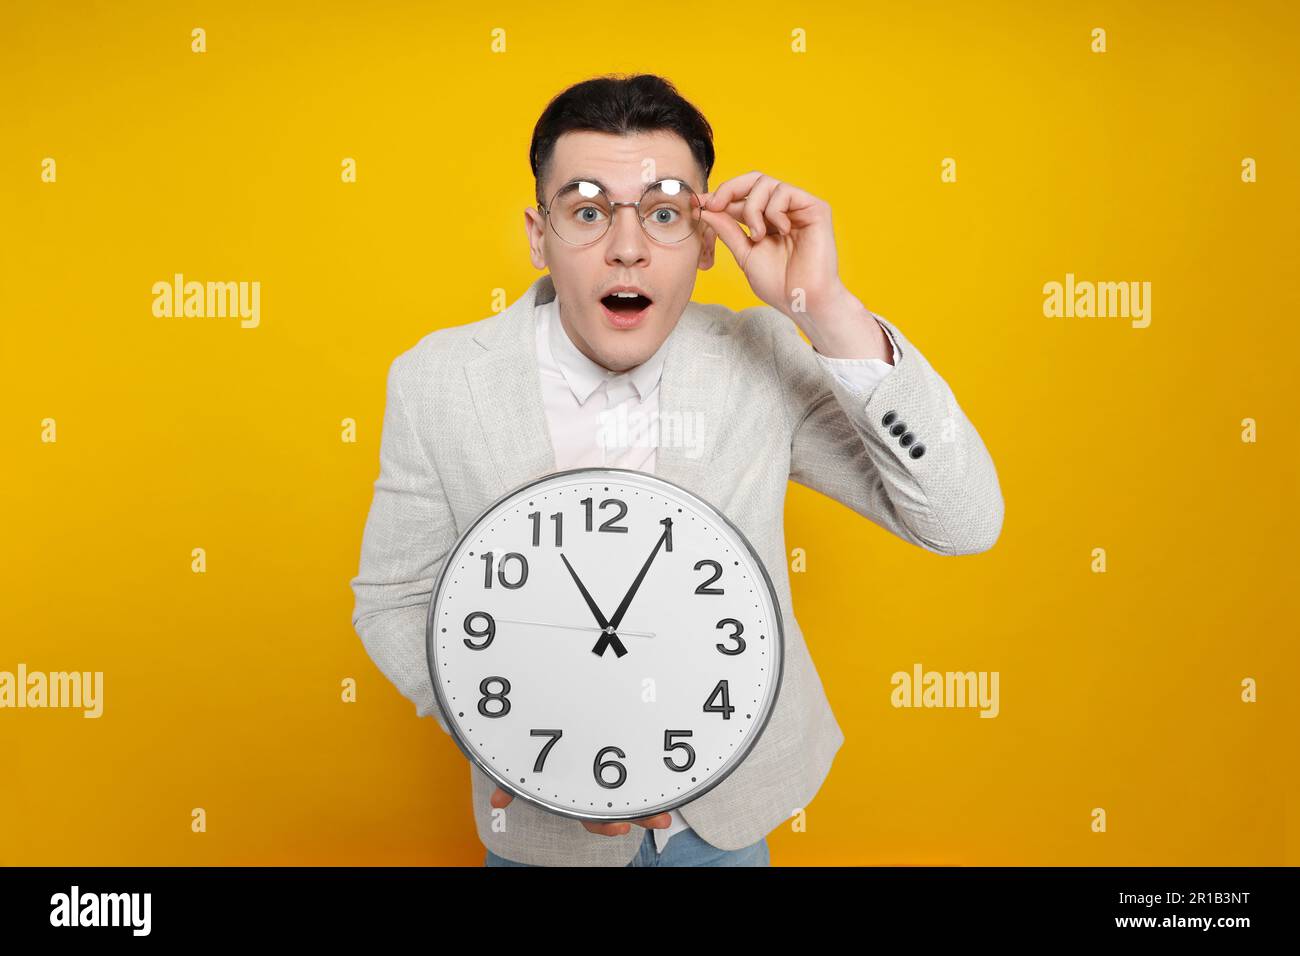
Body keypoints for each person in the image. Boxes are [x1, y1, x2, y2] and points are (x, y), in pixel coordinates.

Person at [350, 73, 1004, 867]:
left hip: (726, 821)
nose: (626, 247)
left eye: (663, 213)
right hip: (543, 837)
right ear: (537, 234)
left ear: (705, 242)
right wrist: (497, 727)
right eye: (587, 211)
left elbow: (963, 521)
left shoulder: (758, 356)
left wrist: (824, 307)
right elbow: (394, 595)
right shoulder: (438, 379)